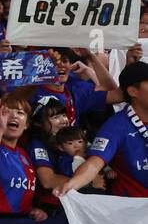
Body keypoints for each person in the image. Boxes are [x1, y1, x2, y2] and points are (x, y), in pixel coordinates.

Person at [56, 61, 148, 198]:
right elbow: (94, 164)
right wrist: (72, 184)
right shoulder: (117, 125)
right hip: (132, 212)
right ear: (133, 91)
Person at [0, 94, 45, 220]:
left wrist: (33, 211)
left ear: (26, 124)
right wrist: (0, 129)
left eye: (20, 113)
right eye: (6, 112)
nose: (14, 115)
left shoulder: (24, 154)